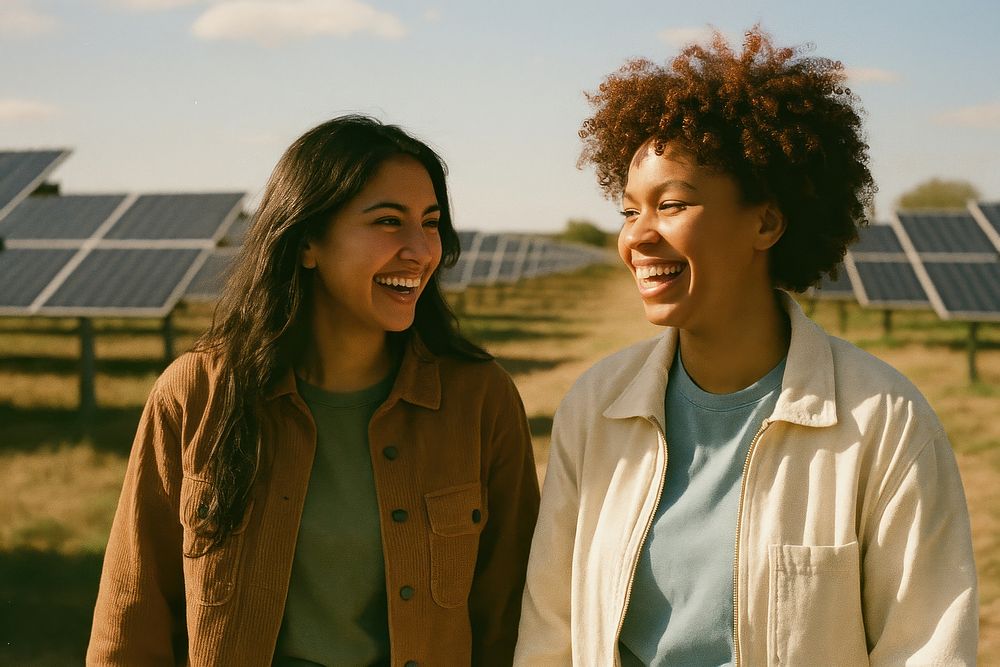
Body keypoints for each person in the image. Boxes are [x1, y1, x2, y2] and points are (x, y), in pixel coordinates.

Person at [514, 27, 977, 666]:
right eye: (628, 211)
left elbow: (926, 648)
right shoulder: (594, 408)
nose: (638, 237)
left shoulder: (884, 422)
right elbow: (551, 633)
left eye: (671, 204)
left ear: (765, 221)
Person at [88, 115, 539, 666]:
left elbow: (509, 618)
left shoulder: (479, 400)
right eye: (388, 222)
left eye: (431, 222)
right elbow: (132, 617)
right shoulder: (197, 394)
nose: (422, 250)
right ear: (306, 242)